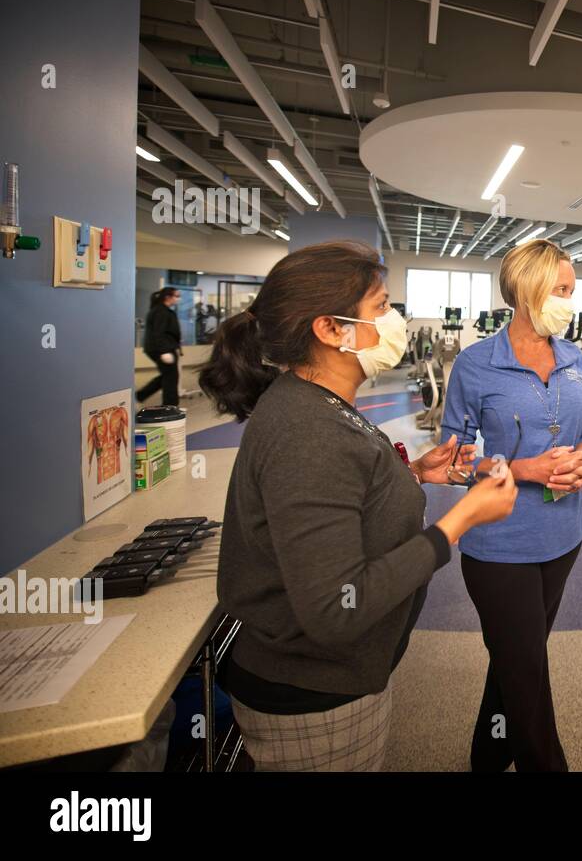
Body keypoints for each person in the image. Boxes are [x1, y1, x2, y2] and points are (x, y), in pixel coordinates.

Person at [198, 241, 517, 771]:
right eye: (381, 308)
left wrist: (414, 473)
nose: (394, 321)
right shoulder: (307, 429)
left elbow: (340, 498)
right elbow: (334, 608)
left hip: (330, 682)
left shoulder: (318, 403)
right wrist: (458, 522)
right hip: (312, 699)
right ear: (330, 329)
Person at [441, 238, 582, 772]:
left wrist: (580, 458)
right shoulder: (476, 364)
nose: (568, 302)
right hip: (499, 544)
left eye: (571, 292)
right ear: (527, 290)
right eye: (560, 290)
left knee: (513, 664)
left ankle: (485, 759)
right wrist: (526, 469)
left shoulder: (574, 357)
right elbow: (455, 461)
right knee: (528, 669)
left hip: (563, 538)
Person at [137, 286, 183, 406]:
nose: (178, 299)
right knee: (171, 377)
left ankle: (140, 395)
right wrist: (164, 351)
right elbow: (159, 332)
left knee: (168, 376)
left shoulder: (164, 311)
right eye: (176, 296)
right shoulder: (160, 312)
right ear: (167, 297)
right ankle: (170, 406)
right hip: (161, 349)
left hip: (164, 347)